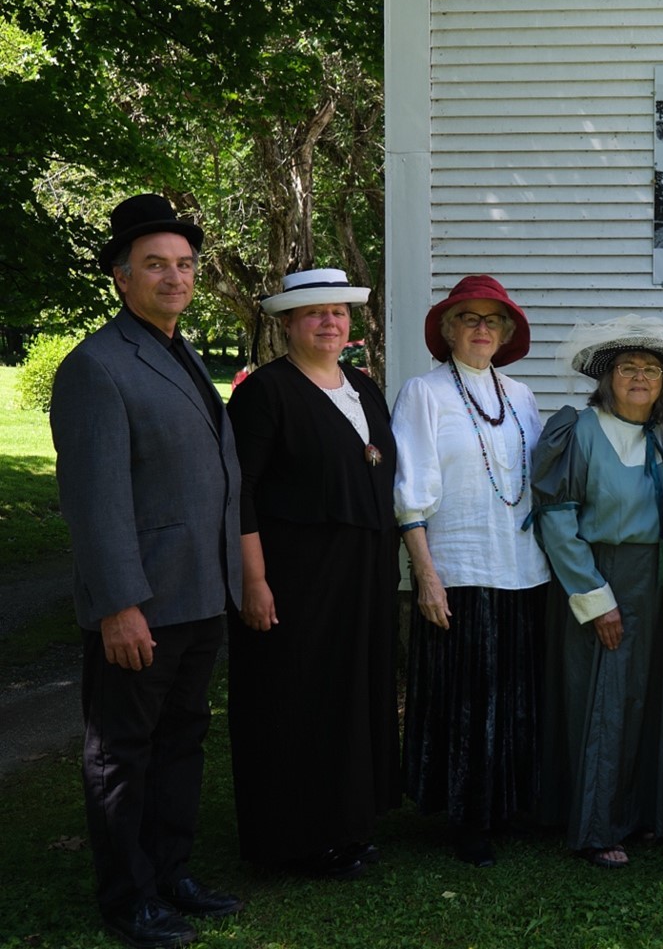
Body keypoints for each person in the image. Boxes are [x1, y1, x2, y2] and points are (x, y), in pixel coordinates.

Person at [50, 194, 243, 949]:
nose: (175, 277)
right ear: (121, 277)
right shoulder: (96, 366)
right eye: (156, 264)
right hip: (143, 601)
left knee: (181, 742)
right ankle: (128, 898)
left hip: (201, 592)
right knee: (122, 754)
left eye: (185, 264)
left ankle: (170, 873)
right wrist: (118, 605)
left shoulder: (181, 351)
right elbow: (94, 502)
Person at [225, 269, 400, 879]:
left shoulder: (364, 387)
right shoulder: (264, 393)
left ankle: (347, 824)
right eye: (314, 313)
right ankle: (295, 839)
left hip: (362, 573)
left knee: (351, 694)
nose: (330, 322)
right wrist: (253, 581)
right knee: (298, 696)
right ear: (287, 324)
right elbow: (239, 494)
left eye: (339, 312)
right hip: (296, 577)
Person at [533, 316, 663, 869]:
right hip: (597, 574)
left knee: (645, 695)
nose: (639, 377)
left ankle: (639, 812)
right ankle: (595, 826)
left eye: (650, 369)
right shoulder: (577, 429)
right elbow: (556, 518)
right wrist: (595, 597)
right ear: (607, 378)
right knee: (602, 697)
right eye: (627, 368)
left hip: (658, 577)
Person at [391, 274, 550, 868]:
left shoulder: (522, 396)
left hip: (523, 568)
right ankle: (468, 816)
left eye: (492, 320)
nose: (481, 328)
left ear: (506, 333)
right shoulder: (424, 393)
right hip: (458, 567)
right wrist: (425, 575)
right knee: (467, 698)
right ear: (449, 330)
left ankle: (506, 803)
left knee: (514, 694)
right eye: (468, 318)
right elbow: (409, 490)